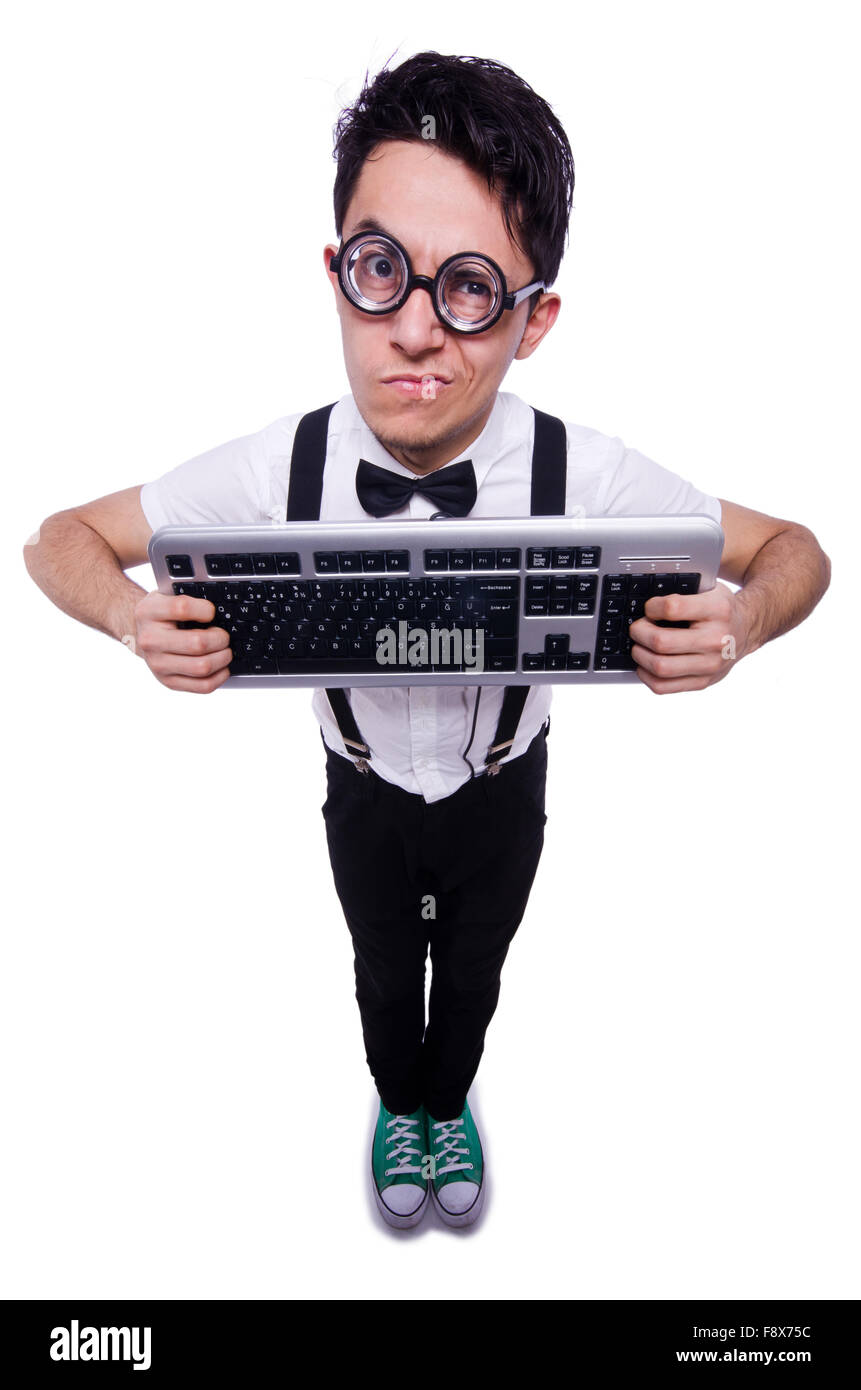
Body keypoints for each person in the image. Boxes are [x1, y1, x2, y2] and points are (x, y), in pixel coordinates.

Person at [22, 52, 831, 1231]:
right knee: (383, 972)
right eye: (380, 270)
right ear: (337, 271)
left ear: (533, 317)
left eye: (465, 288)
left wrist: (744, 624)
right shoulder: (276, 465)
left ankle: (449, 1094)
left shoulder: (582, 472)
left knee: (479, 973)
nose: (411, 331)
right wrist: (128, 613)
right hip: (361, 786)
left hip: (507, 787)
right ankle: (400, 1097)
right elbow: (59, 538)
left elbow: (795, 547)